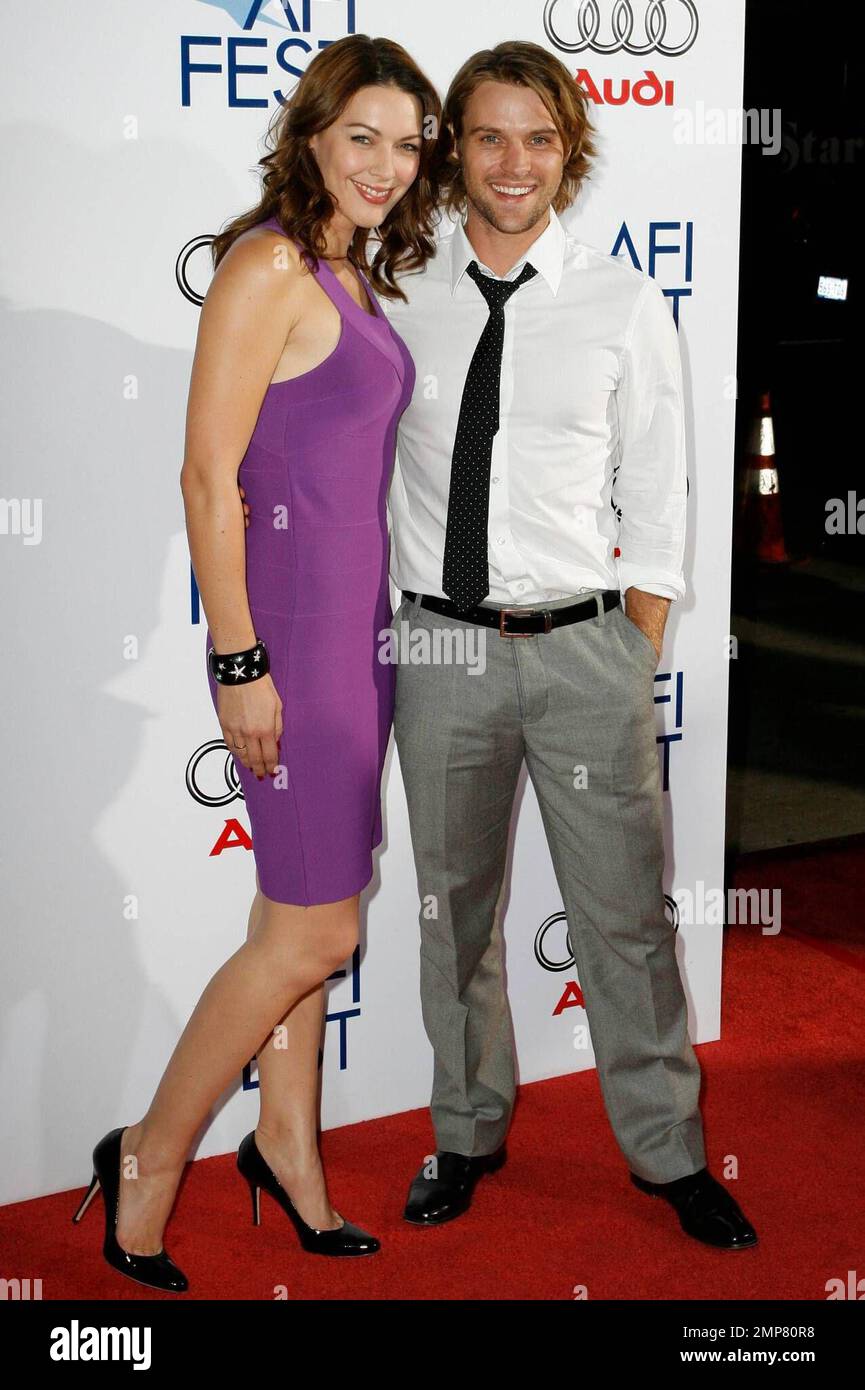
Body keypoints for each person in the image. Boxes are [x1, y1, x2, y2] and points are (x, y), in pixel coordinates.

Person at [71, 34, 440, 1293]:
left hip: (357, 640)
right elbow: (205, 477)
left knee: (297, 919)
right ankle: (148, 1158)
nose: (388, 166)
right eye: (363, 139)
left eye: (405, 144)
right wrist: (238, 659)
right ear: (312, 135)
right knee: (316, 929)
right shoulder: (269, 263)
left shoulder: (347, 270)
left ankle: (286, 1144)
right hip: (288, 647)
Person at [380, 41, 758, 1250]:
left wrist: (628, 650)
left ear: (568, 153)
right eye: (488, 135)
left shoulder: (621, 299)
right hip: (440, 651)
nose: (513, 162)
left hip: (586, 648)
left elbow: (658, 496)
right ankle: (465, 1132)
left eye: (538, 139)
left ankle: (667, 1153)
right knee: (454, 912)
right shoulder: (396, 292)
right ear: (454, 148)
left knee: (626, 920)